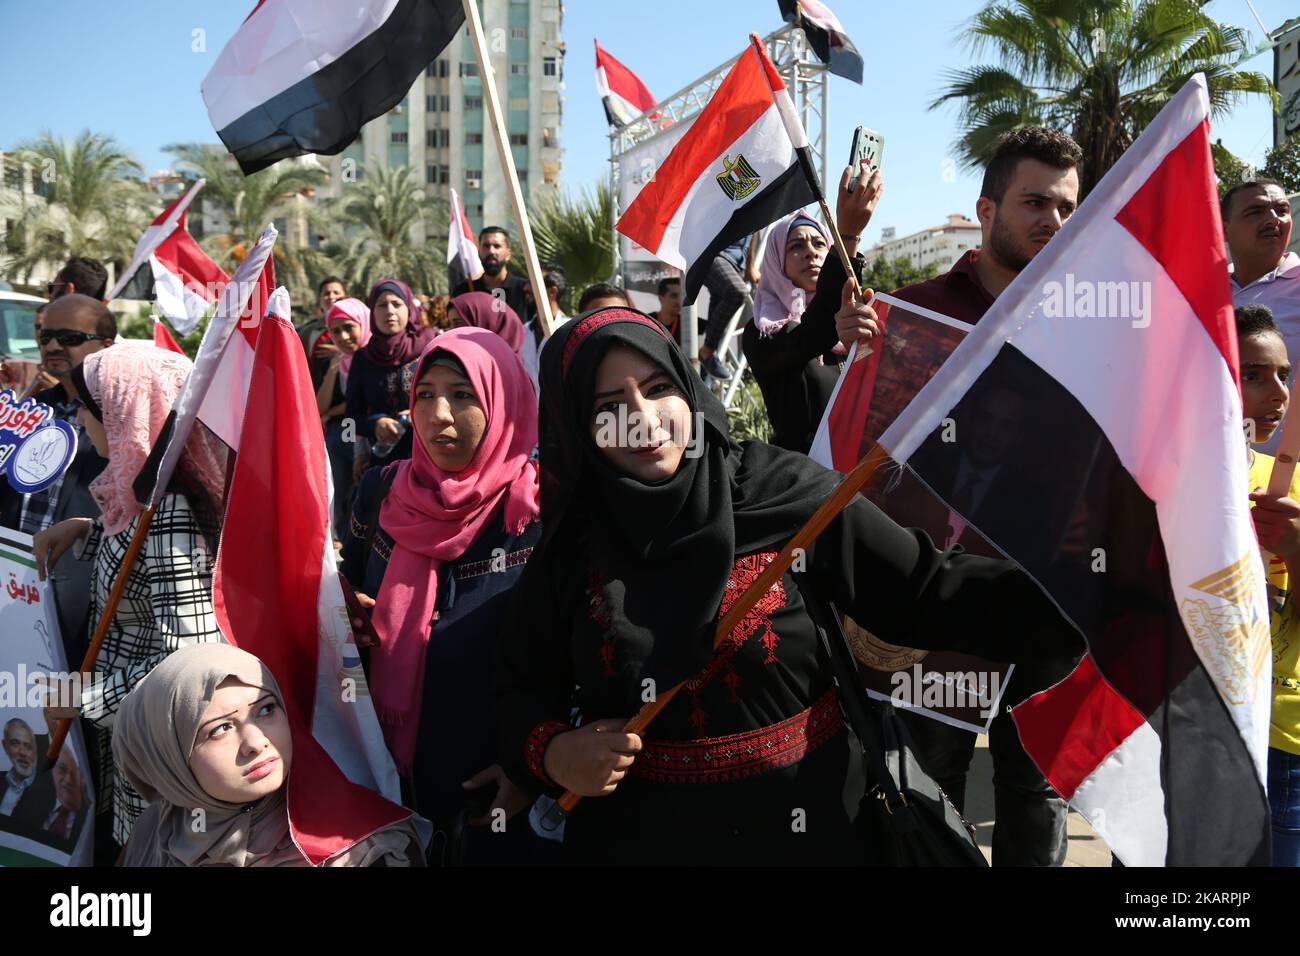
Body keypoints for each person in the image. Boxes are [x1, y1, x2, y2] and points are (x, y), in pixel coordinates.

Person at [495, 307, 1080, 865]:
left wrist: (1090, 598)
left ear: (687, 386)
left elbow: (925, 590)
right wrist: (554, 754)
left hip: (819, 832)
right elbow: (515, 685)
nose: (643, 419)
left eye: (657, 388)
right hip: (641, 842)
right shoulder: (573, 545)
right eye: (609, 404)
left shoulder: (780, 493)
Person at [837, 125, 1082, 867]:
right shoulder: (915, 314)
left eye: (1069, 207)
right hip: (942, 605)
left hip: (1057, 599)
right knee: (926, 787)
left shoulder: (1097, 319)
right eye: (1035, 202)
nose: (1053, 222)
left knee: (1037, 793)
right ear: (985, 208)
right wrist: (853, 345)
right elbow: (861, 451)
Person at [341, 328, 545, 864]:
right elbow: (356, 580)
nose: (439, 416)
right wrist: (348, 609)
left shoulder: (542, 509)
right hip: (387, 778)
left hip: (499, 784)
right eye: (425, 394)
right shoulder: (382, 491)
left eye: (462, 394)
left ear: (503, 400)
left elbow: (577, 651)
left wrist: (536, 763)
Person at [31, 346, 227, 852]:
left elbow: (190, 660)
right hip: (131, 745)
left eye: (88, 405)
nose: (77, 417)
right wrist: (86, 529)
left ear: (128, 411)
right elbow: (136, 568)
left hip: (157, 759)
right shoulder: (140, 500)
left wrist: (86, 697)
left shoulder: (168, 512)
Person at [112, 643, 425, 867]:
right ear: (169, 760)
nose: (256, 741)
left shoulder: (363, 847)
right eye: (220, 729)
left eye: (265, 709)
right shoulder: (155, 832)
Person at [0, 295, 112, 667]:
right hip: (15, 591)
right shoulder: (30, 408)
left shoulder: (126, 416)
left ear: (106, 346)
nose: (51, 347)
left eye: (69, 338)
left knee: (69, 713)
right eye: (46, 336)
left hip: (85, 609)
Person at [740, 165, 881, 453]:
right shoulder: (763, 331)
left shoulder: (857, 311)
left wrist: (864, 344)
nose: (811, 252)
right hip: (806, 481)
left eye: (820, 243)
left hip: (860, 471)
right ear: (776, 260)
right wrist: (848, 235)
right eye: (795, 246)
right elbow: (814, 334)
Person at [1235, 304, 1300, 866]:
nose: (1276, 392)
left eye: (1283, 374)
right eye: (1252, 374)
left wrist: (1296, 551)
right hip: (1181, 731)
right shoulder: (1153, 484)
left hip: (1282, 742)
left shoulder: (1291, 485)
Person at [1225, 178, 1299, 455]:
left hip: (1286, 485)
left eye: (1281, 210)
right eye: (1255, 211)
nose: (1273, 219)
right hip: (1213, 475)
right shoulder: (1198, 293)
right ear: (1224, 229)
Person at [344, 278, 438, 470]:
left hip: (433, 454)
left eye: (396, 304)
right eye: (381, 305)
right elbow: (351, 420)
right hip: (387, 461)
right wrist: (375, 423)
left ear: (409, 308)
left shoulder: (432, 345)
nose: (389, 311)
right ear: (372, 311)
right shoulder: (363, 358)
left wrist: (421, 413)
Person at [317, 298, 372, 540]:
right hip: (351, 433)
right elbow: (320, 406)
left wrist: (332, 412)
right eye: (335, 331)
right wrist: (332, 369)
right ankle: (342, 535)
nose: (343, 336)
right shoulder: (343, 361)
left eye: (349, 327)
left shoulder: (378, 356)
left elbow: (363, 401)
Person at [698, 232, 762, 380]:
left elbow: (754, 230)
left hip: (735, 263)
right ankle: (706, 352)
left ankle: (702, 379)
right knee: (737, 292)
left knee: (718, 321)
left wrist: (750, 266)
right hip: (713, 254)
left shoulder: (752, 209)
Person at [10, 748, 89, 853]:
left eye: (78, 775)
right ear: (53, 769)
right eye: (62, 769)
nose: (68, 780)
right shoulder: (30, 799)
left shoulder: (90, 822)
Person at [451, 227, 529, 317]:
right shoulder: (464, 292)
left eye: (497, 246)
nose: (491, 251)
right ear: (479, 252)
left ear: (508, 254)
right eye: (486, 246)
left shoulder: (525, 290)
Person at [520, 263, 571, 388]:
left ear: (552, 292)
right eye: (528, 282)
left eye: (533, 284)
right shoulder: (522, 333)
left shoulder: (571, 333)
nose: (526, 288)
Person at [0, 718, 51, 816]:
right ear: (5, 746)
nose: (23, 752)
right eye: (15, 744)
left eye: (28, 746)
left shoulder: (46, 796)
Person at [447, 290, 526, 354]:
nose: (451, 330)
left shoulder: (519, 366)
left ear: (486, 322)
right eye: (450, 324)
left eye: (458, 323)